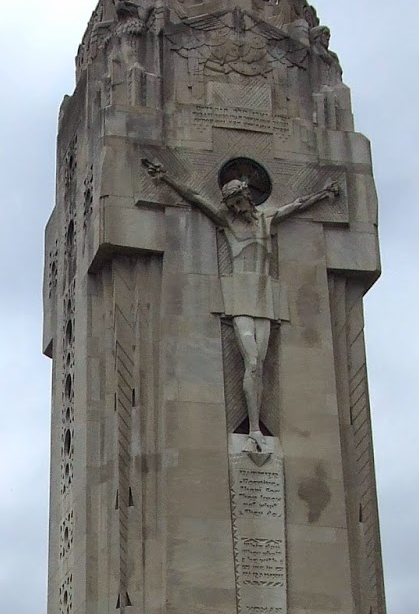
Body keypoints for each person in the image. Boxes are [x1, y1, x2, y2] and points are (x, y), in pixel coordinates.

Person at [141, 158, 338, 444]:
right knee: (252, 360)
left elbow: (297, 205)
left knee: (260, 363)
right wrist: (166, 178)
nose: (236, 209)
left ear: (247, 197)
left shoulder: (266, 220)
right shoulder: (228, 224)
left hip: (264, 294)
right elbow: (196, 198)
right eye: (231, 205)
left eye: (238, 202)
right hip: (238, 294)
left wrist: (324, 194)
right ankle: (254, 428)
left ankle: (256, 424)